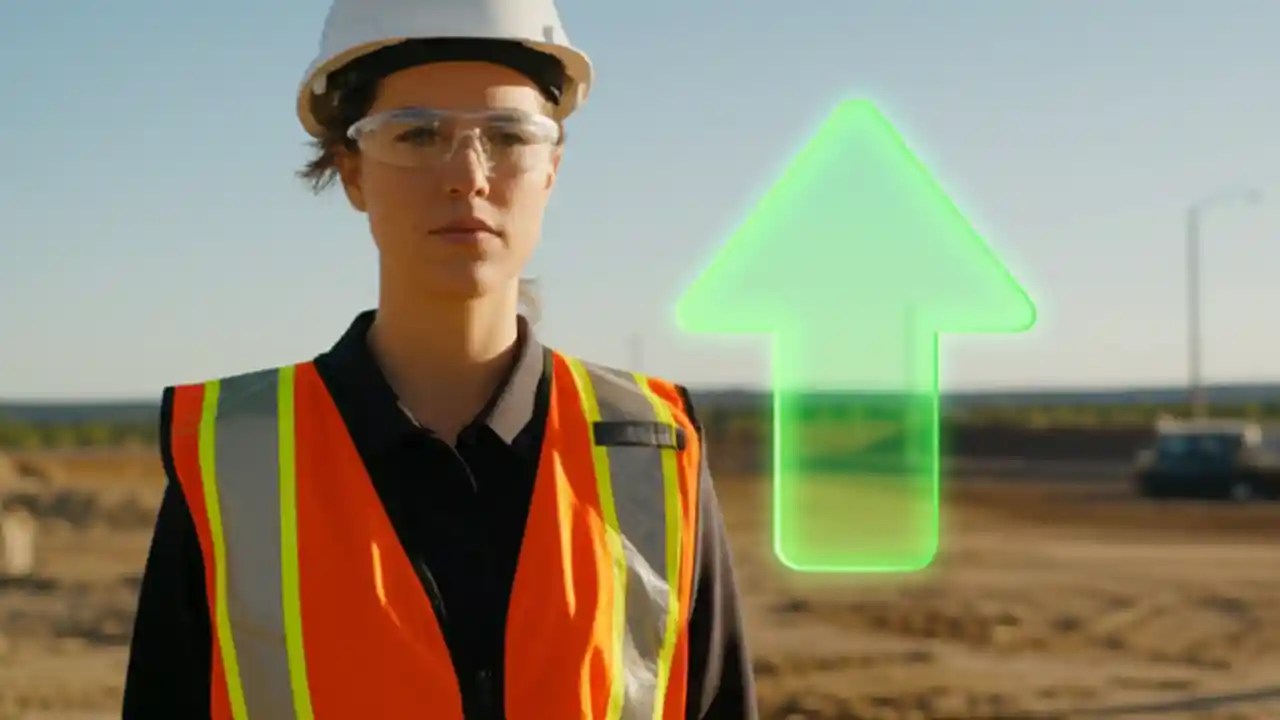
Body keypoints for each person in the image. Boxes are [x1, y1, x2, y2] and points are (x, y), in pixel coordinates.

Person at [122, 0, 758, 718]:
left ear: (551, 167)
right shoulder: (237, 461)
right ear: (352, 171)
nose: (467, 174)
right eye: (418, 133)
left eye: (509, 135)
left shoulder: (650, 451)